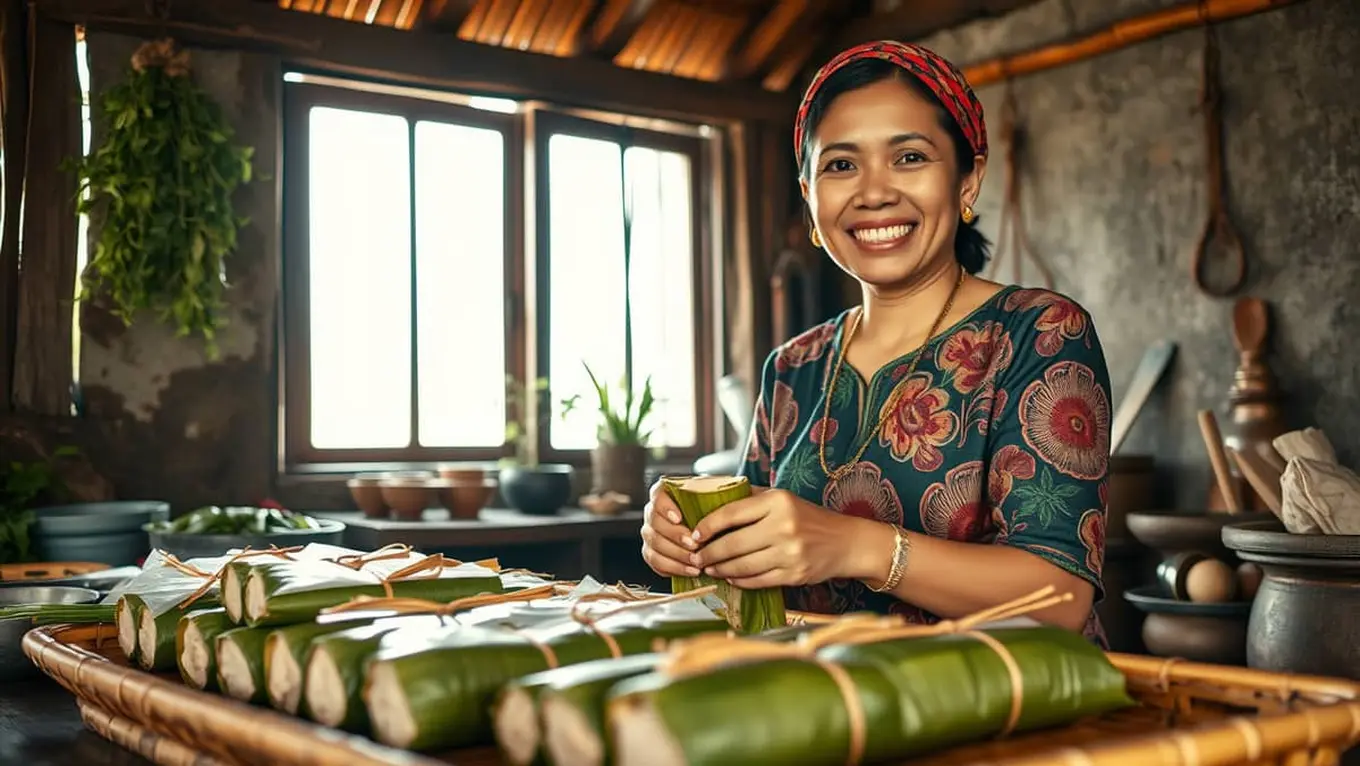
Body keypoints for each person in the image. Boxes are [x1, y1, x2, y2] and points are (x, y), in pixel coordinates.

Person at [640, 40, 1112, 645]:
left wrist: (856, 547)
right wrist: (691, 541)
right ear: (810, 197)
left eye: (909, 156)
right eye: (840, 165)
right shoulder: (794, 367)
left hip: (1007, 714)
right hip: (823, 713)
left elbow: (1061, 599)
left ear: (968, 180)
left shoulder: (1039, 333)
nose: (873, 192)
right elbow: (750, 573)